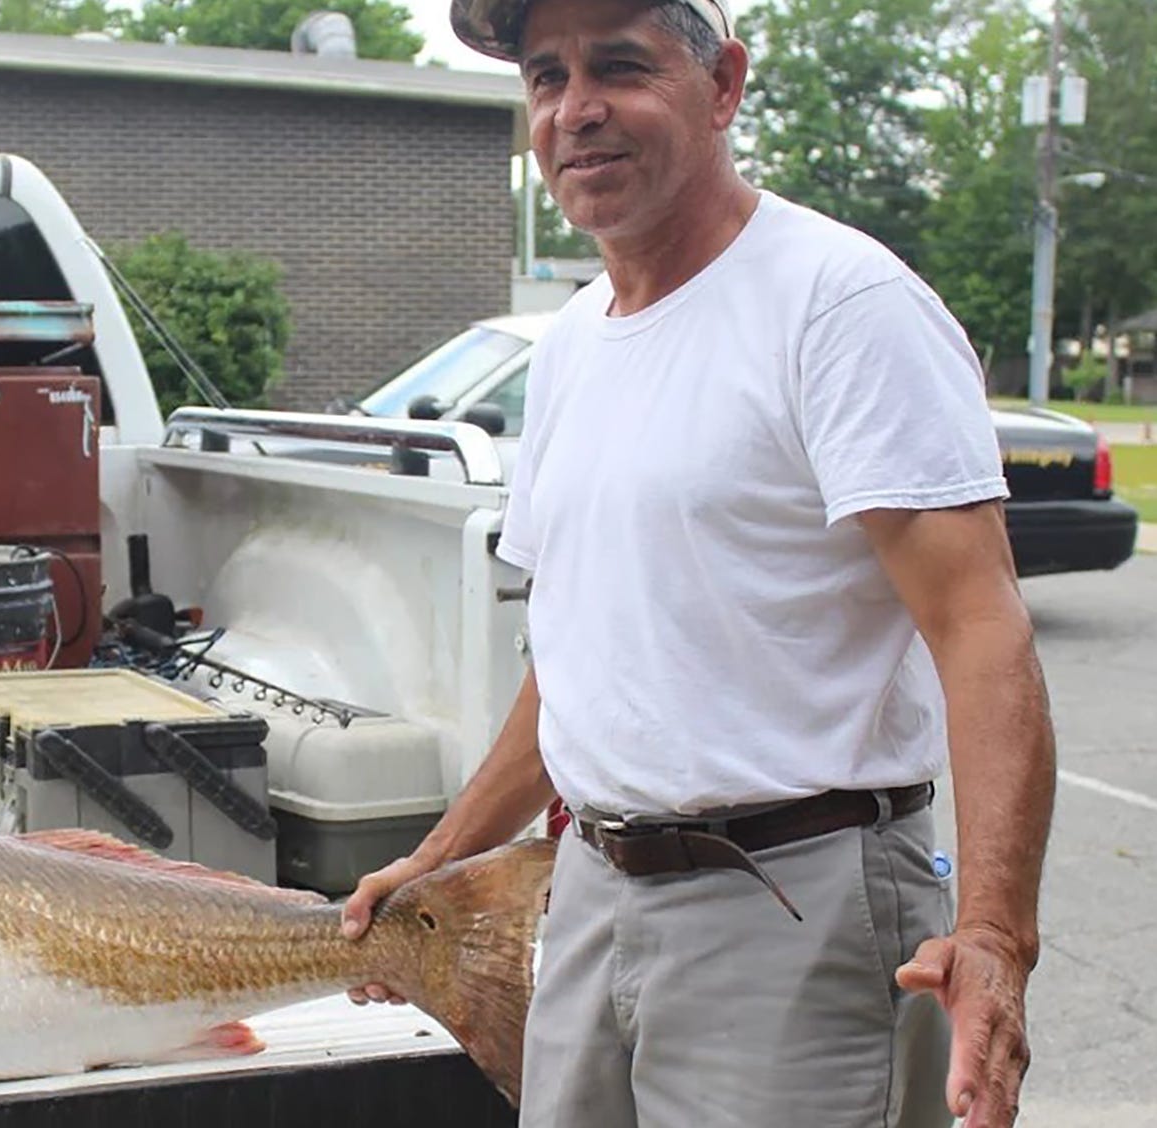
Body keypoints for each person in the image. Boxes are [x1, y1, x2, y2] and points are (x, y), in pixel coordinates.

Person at [337, 1, 1056, 1126]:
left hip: (793, 906)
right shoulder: (572, 343)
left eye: (619, 68)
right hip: (588, 896)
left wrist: (997, 937)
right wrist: (436, 858)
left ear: (722, 85)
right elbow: (575, 663)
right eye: (545, 78)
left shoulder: (837, 305)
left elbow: (979, 626)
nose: (575, 111)